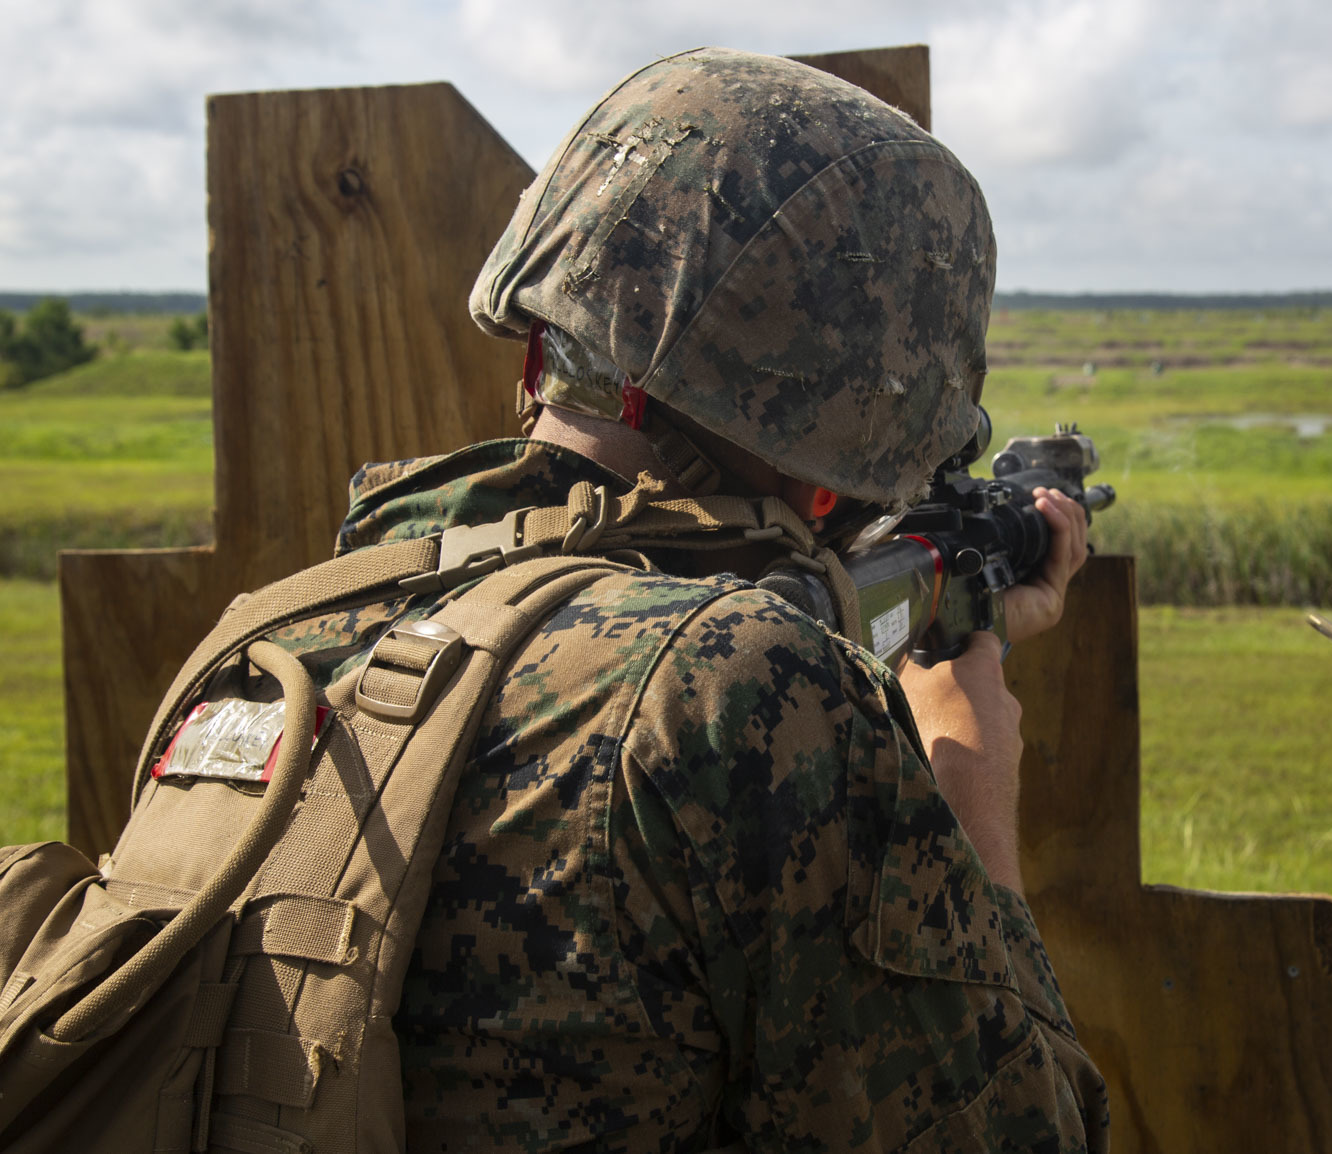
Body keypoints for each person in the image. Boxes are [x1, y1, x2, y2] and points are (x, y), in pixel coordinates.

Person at [276, 47, 1109, 1151]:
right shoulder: (742, 690)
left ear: (539, 349)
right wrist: (969, 769)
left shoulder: (294, 628)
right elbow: (1025, 1133)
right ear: (849, 440)